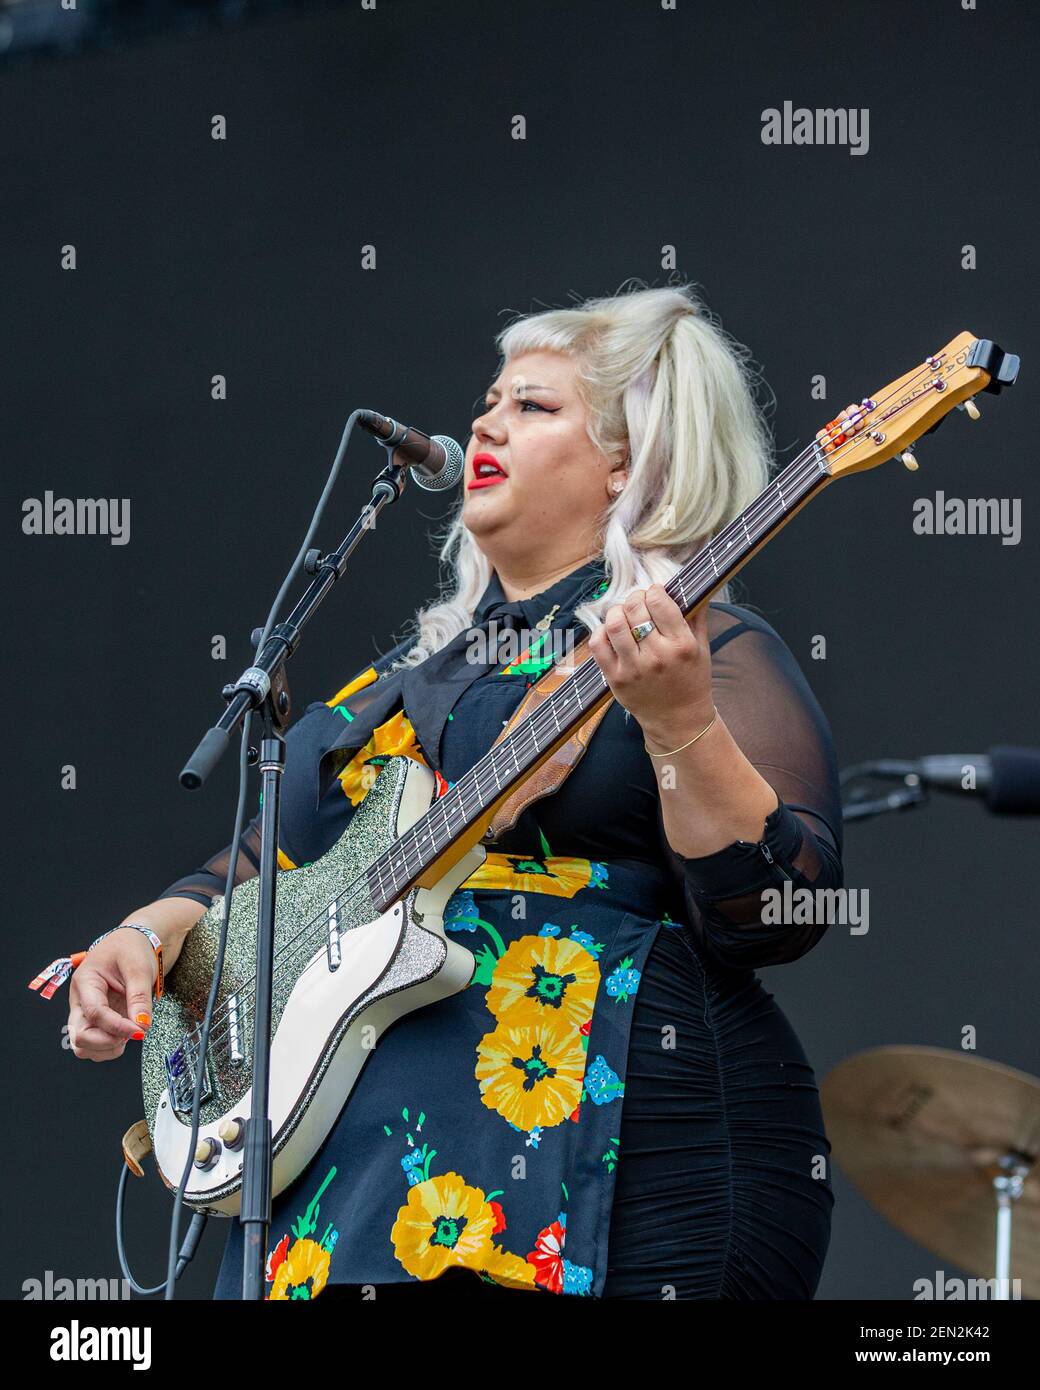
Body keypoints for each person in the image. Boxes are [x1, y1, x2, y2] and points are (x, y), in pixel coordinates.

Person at [67, 283, 843, 1300]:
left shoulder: (705, 650)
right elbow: (261, 870)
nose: (485, 421)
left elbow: (778, 907)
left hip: (620, 1152)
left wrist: (680, 722)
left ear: (627, 461)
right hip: (344, 1185)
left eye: (533, 405)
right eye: (488, 400)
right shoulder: (386, 690)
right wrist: (144, 936)